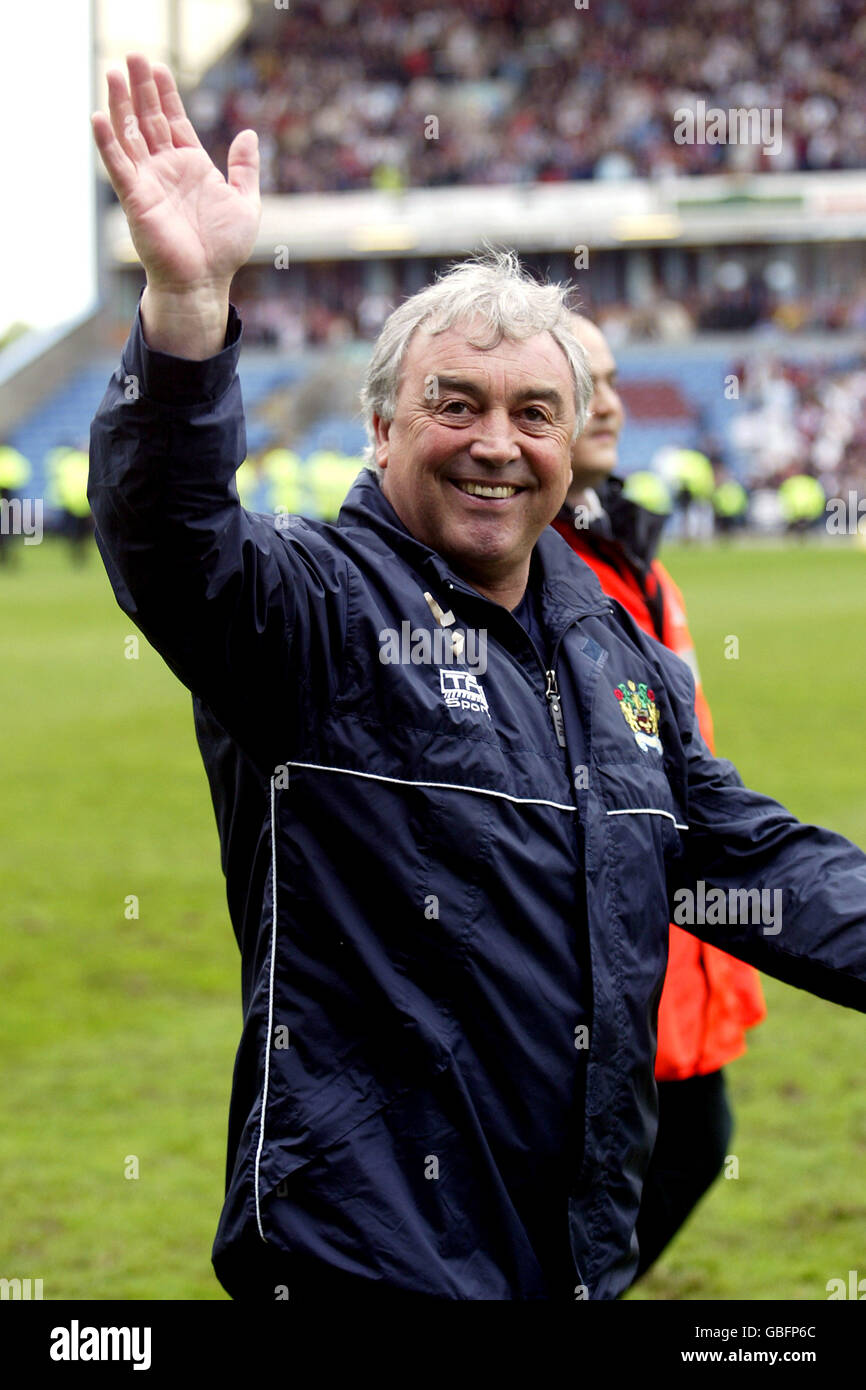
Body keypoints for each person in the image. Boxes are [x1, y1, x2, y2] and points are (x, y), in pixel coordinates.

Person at [89, 56, 866, 1302]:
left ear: (573, 446)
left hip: (569, 1248)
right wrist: (186, 313)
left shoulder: (617, 656)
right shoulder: (313, 612)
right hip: (367, 1258)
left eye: (534, 413)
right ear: (383, 427)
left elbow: (752, 862)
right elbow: (167, 539)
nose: (497, 444)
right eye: (456, 404)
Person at [551, 317, 765, 1280]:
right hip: (600, 949)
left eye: (610, 377)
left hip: (681, 927)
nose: (606, 401)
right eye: (575, 381)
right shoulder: (533, 568)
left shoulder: (637, 554)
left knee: (691, 1139)